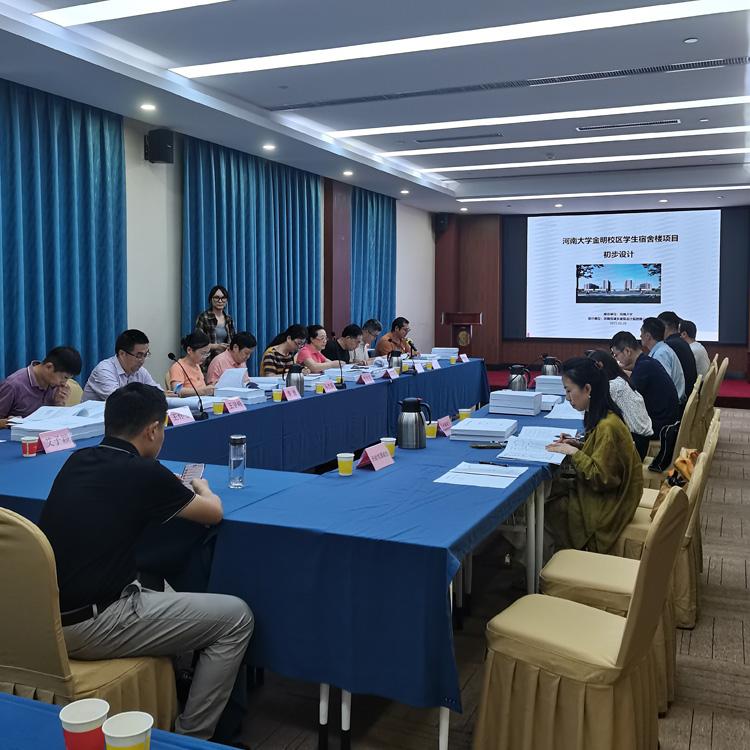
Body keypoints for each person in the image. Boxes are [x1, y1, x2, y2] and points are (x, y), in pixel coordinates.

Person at [38, 383, 253, 742]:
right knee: (236, 618)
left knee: (155, 577)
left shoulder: (77, 460)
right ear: (153, 429)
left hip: (49, 617)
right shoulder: (144, 473)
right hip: (94, 625)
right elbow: (212, 514)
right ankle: (191, 738)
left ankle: (179, 683)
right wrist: (203, 488)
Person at [544, 357, 643, 554]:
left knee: (548, 507)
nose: (567, 398)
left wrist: (574, 452)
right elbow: (602, 455)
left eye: (569, 391)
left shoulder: (608, 426)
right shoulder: (605, 416)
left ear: (587, 389)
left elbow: (602, 478)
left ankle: (551, 561)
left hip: (609, 506)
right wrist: (579, 445)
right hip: (608, 495)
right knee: (553, 490)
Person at [611, 331, 679, 437]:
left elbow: (628, 397)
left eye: (616, 355)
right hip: (667, 421)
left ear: (627, 351)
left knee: (613, 425)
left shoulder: (643, 368)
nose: (616, 359)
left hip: (659, 426)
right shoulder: (647, 363)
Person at [587, 350, 652, 459]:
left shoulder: (613, 386)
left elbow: (594, 409)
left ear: (600, 366)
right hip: (641, 440)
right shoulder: (619, 379)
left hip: (636, 445)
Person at [0, 346, 82, 425]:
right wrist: (10, 422)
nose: (64, 383)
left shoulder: (56, 387)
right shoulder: (13, 385)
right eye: (65, 378)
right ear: (49, 367)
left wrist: (59, 404)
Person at [83, 330, 161, 402]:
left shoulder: (140, 371)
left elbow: (157, 392)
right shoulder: (104, 370)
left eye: (145, 355)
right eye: (139, 355)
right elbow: (121, 401)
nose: (142, 360)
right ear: (122, 354)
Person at [640, 317, 685, 401]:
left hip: (670, 404)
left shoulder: (661, 354)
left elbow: (663, 386)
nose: (640, 336)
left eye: (641, 332)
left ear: (648, 336)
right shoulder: (661, 349)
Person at [195, 285, 236, 370]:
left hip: (225, 362)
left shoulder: (228, 319)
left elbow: (233, 340)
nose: (220, 301)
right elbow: (197, 343)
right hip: (208, 362)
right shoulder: (204, 317)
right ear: (211, 299)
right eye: (217, 298)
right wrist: (217, 346)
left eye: (223, 298)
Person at [658, 311, 697, 398]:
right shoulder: (681, 341)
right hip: (688, 393)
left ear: (664, 326)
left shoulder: (669, 346)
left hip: (680, 398)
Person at [168, 331, 215, 397]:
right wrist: (202, 391)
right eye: (202, 353)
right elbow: (177, 391)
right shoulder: (178, 367)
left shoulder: (197, 365)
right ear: (189, 350)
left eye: (207, 353)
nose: (205, 357)